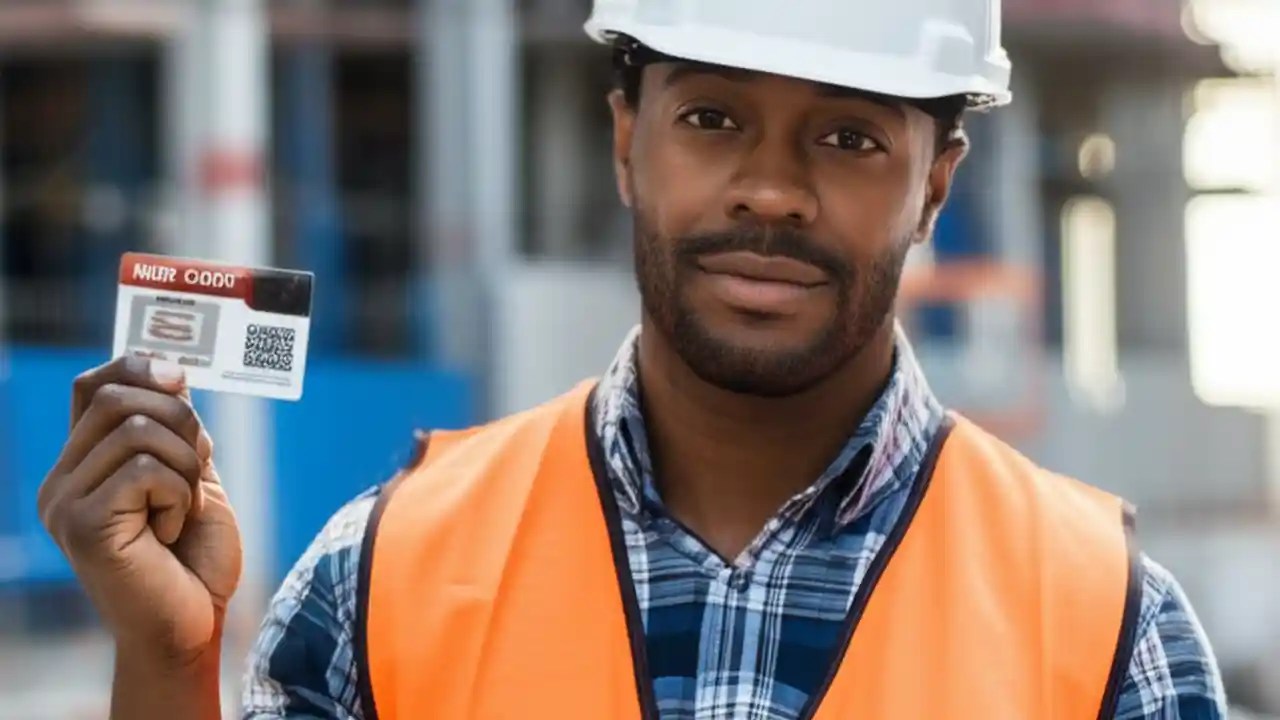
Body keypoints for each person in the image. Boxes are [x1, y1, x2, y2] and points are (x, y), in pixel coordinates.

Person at [37, 0, 1228, 717]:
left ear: (935, 184)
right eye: (710, 119)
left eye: (849, 135)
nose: (769, 187)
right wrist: (166, 660)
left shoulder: (1104, 624)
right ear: (625, 141)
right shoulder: (385, 572)